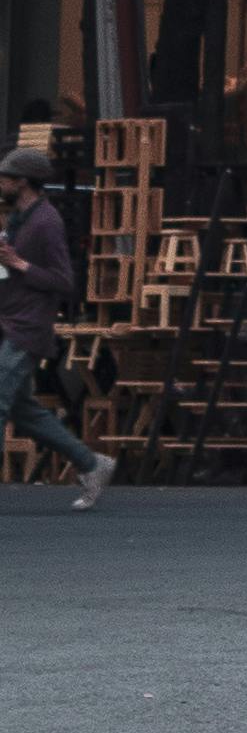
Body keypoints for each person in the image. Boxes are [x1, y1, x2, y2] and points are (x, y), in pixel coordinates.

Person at [0, 149, 112, 507]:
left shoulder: (46, 221)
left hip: (28, 326)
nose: (0, 183)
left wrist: (18, 263)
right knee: (22, 410)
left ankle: (91, 464)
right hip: (11, 320)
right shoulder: (19, 217)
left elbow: (64, 280)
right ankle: (91, 464)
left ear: (22, 181)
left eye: (5, 177)